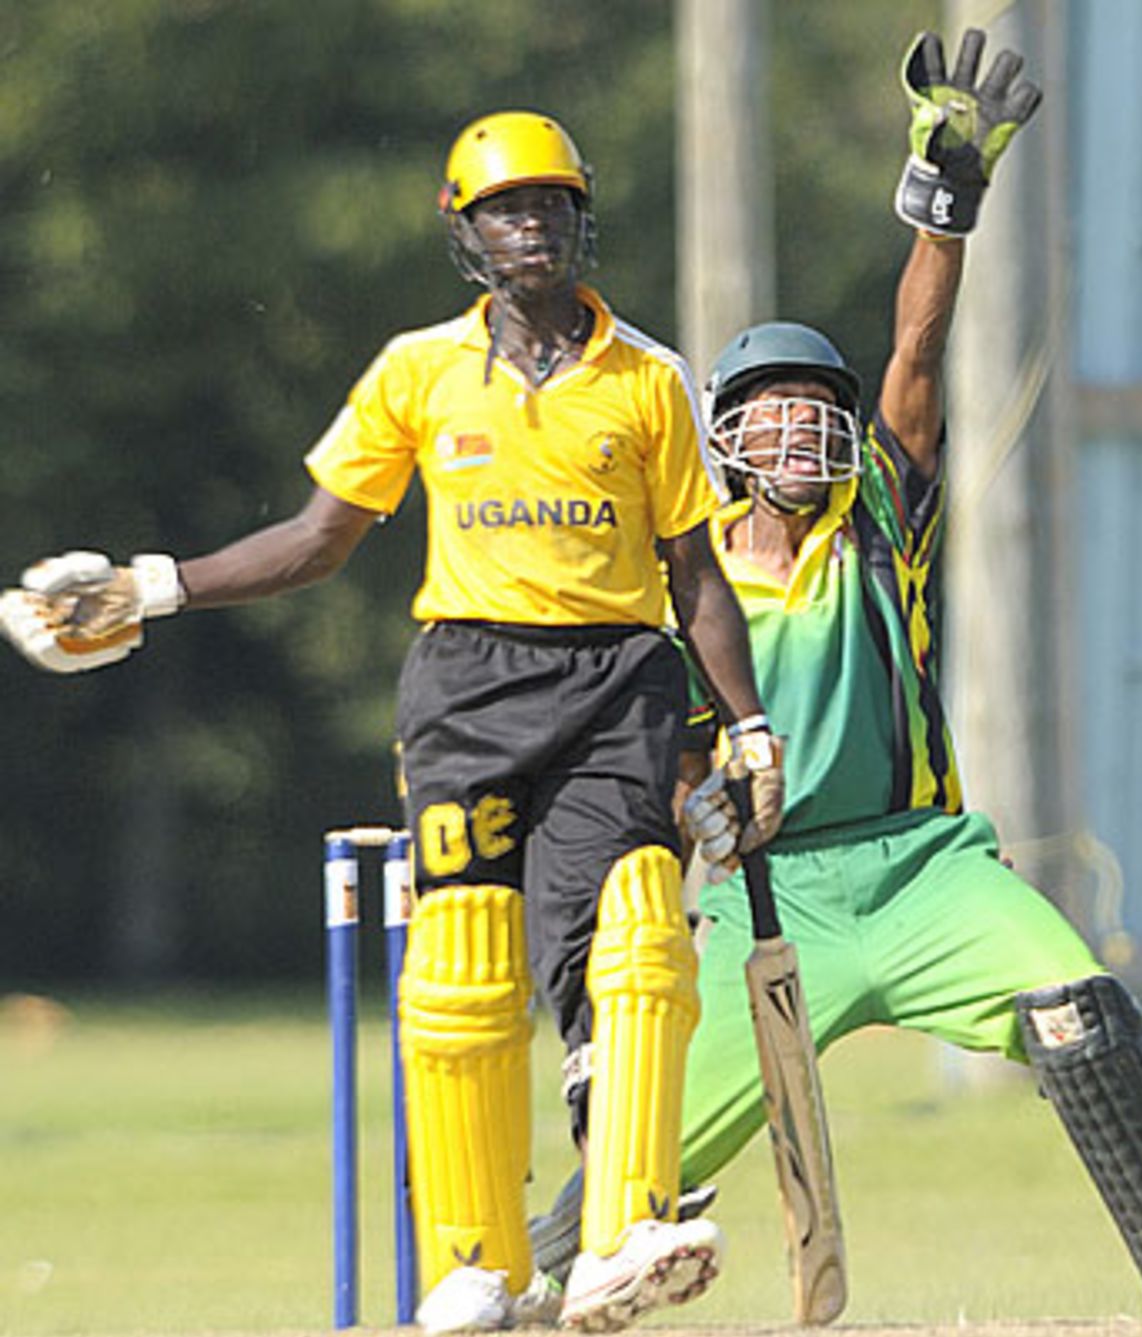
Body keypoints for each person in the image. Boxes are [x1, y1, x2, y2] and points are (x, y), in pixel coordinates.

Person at [0, 111, 786, 1334]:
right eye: (505, 210)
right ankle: (480, 1263)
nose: (532, 226)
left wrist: (748, 728)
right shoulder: (418, 370)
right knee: (462, 966)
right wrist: (154, 587)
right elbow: (317, 540)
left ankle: (622, 1233)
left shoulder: (650, 377)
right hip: (467, 686)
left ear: (582, 219)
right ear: (466, 233)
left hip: (616, 682)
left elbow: (697, 575)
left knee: (636, 935)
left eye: (551, 204)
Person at [528, 30, 1142, 1321]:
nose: (796, 425)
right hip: (765, 901)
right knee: (635, 1151)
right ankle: (526, 1289)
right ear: (723, 433)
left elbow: (915, 355)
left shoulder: (877, 522)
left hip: (924, 869)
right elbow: (664, 755)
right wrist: (694, 811)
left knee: (1080, 1005)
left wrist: (943, 205)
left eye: (813, 404)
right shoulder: (683, 583)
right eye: (768, 405)